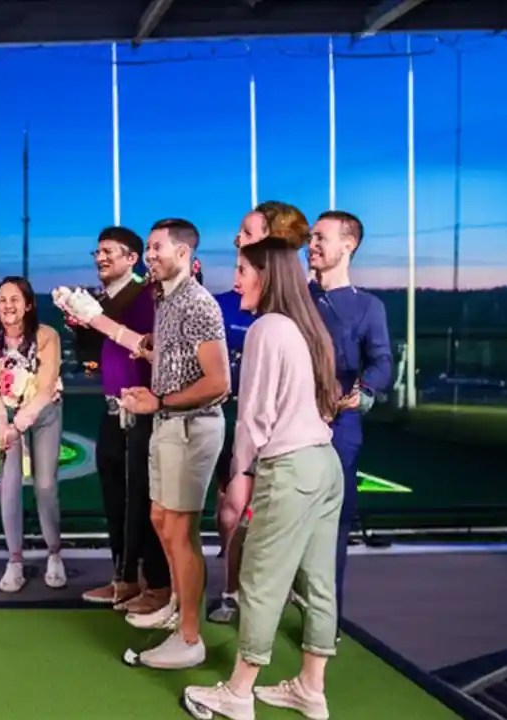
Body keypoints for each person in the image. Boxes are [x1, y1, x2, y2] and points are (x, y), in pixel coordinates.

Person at [181, 236, 344, 720]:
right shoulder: (306, 326)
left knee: (258, 580)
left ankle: (238, 693)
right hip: (324, 464)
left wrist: (241, 473)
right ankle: (311, 689)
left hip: (289, 468)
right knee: (318, 584)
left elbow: (254, 416)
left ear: (266, 276)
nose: (235, 282)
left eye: (243, 270)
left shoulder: (266, 328)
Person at [118, 218, 229, 670]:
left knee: (182, 531)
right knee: (161, 518)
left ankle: (189, 637)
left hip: (191, 427)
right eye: (147, 248)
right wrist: (153, 358)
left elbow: (219, 382)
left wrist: (159, 400)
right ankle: (176, 608)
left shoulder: (198, 303)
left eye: (156, 248)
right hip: (168, 424)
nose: (149, 256)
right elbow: (182, 359)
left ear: (183, 253)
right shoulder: (165, 298)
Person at [209, 200, 312, 625]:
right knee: (230, 511)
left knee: (274, 518)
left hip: (280, 436)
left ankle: (281, 599)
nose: (238, 239)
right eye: (239, 232)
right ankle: (232, 591)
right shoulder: (225, 302)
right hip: (233, 423)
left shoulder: (293, 312)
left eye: (248, 233)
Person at [65, 227, 170, 614]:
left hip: (141, 413)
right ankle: (124, 579)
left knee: (142, 500)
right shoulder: (104, 300)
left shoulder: (145, 295)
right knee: (115, 501)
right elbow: (91, 362)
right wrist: (79, 325)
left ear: (132, 258)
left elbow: (148, 346)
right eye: (97, 252)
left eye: (109, 251)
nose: (100, 258)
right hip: (112, 411)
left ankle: (156, 584)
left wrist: (95, 318)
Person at [307, 210, 393, 619]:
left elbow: (382, 362)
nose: (312, 245)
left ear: (349, 244)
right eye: (311, 237)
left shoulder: (368, 307)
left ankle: (326, 624)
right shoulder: (295, 300)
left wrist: (364, 391)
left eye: (320, 237)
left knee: (334, 526)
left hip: (340, 428)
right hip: (288, 425)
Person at [0, 275, 66, 593]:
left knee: (45, 485)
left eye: (15, 299)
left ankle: (54, 552)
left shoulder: (47, 336)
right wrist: (3, 423)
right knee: (9, 488)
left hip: (43, 414)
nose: (8, 305)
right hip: (7, 420)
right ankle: (15, 560)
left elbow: (45, 387)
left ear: (28, 304)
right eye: (2, 300)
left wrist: (20, 424)